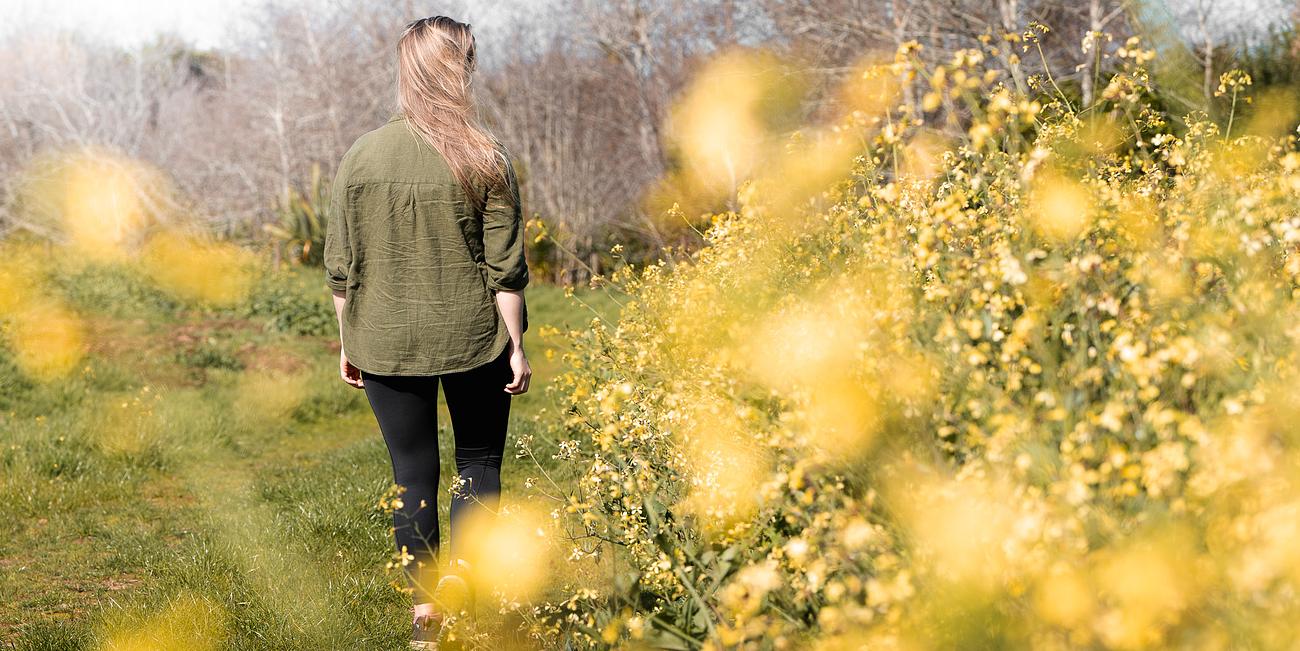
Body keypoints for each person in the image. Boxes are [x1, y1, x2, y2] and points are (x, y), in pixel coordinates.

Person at [322, 14, 531, 648]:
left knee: (411, 474)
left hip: (381, 336)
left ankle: (426, 615)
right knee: (478, 464)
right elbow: (506, 269)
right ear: (459, 69)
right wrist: (516, 346)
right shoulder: (483, 155)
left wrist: (347, 340)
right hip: (475, 338)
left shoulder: (360, 155)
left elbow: (341, 267)